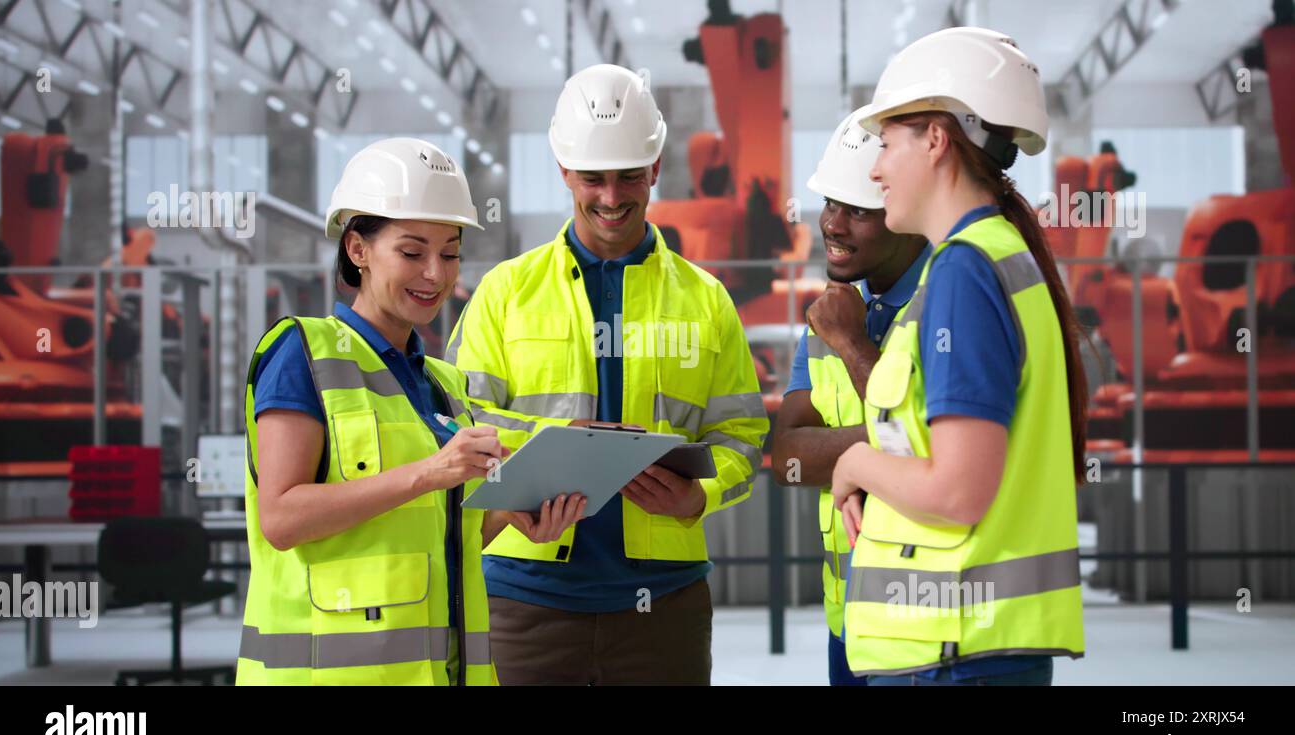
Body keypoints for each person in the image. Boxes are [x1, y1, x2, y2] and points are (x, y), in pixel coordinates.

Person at [446, 64, 768, 685]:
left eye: (629, 177)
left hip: (664, 603)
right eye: (593, 178)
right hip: (526, 595)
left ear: (655, 169)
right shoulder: (504, 292)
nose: (612, 198)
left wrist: (698, 495)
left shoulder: (706, 300)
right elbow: (459, 421)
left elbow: (744, 439)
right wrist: (561, 435)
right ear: (564, 170)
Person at [237, 138, 584, 685]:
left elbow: (436, 534)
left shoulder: (443, 385)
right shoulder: (303, 353)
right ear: (358, 250)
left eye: (450, 253)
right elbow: (281, 518)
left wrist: (512, 516)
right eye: (411, 251)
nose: (434, 274)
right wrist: (429, 472)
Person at [830, 27, 1088, 686]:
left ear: (937, 139)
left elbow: (959, 489)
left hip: (951, 654)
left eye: (886, 144)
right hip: (968, 649)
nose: (877, 168)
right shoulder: (996, 255)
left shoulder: (964, 272)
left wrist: (856, 459)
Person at [769, 107, 928, 686]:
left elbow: (938, 447)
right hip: (851, 621)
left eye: (858, 210)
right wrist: (888, 448)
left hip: (934, 624)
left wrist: (854, 344)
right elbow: (785, 457)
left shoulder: (945, 300)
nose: (833, 225)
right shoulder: (827, 317)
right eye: (829, 204)